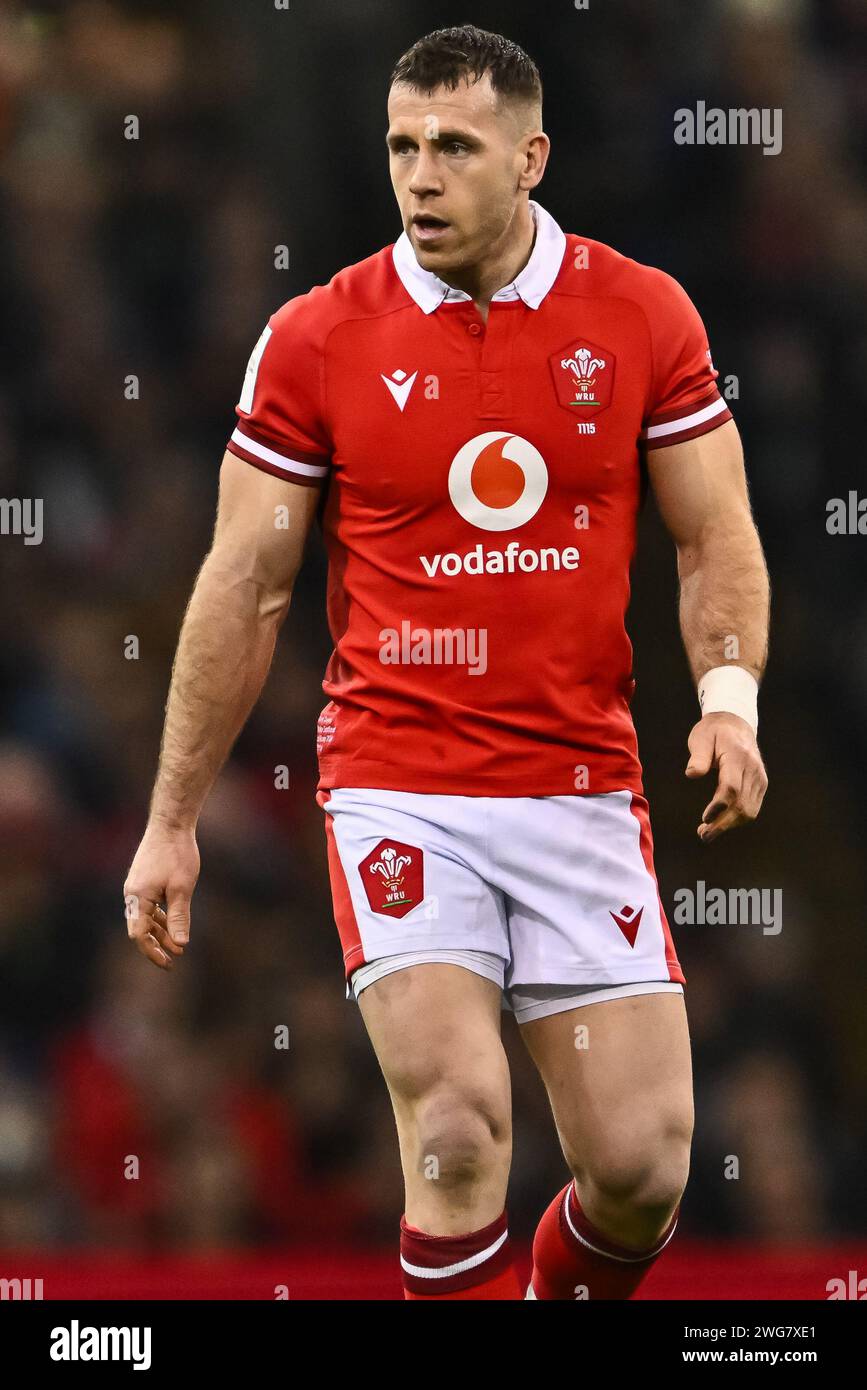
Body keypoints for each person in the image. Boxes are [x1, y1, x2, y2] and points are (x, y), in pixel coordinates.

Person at [124, 25, 769, 1300]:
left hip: (582, 785)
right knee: (459, 1126)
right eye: (402, 147)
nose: (420, 175)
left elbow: (716, 538)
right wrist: (171, 821)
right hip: (401, 784)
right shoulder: (315, 338)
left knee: (642, 1168)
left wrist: (731, 703)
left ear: (531, 158)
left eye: (454, 148)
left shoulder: (641, 313)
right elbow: (242, 587)